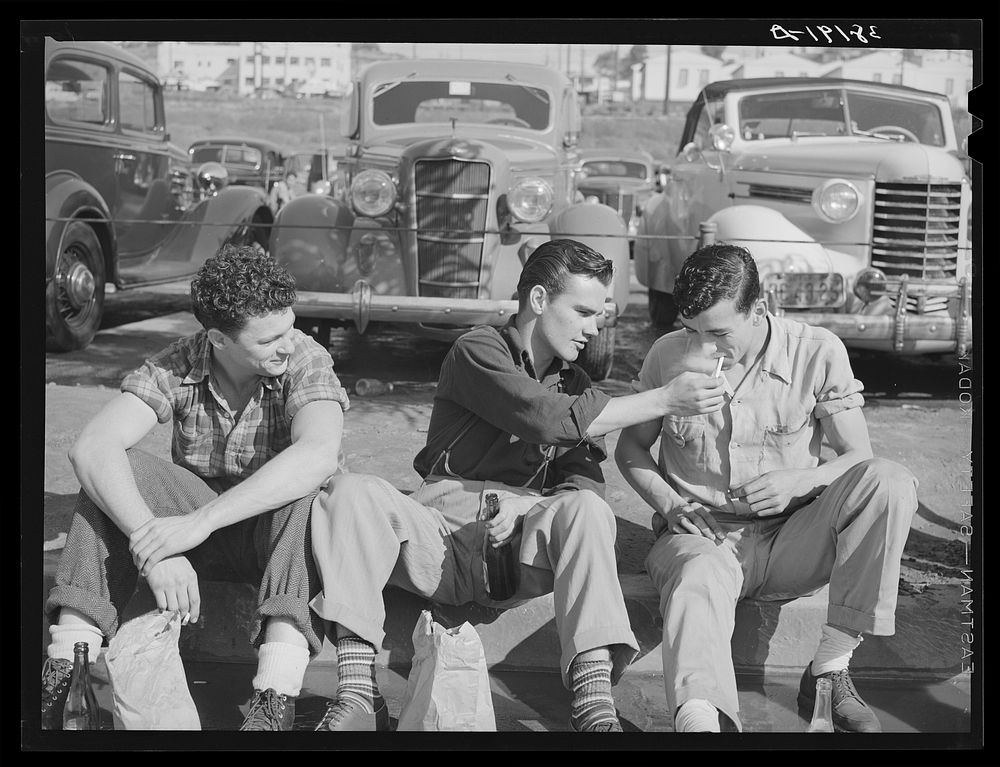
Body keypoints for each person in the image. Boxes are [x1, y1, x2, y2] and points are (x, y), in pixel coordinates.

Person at [304, 239, 728, 733]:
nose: (594, 329)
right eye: (584, 312)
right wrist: (665, 399)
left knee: (591, 510)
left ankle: (594, 709)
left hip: (510, 558)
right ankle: (358, 696)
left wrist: (522, 506)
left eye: (600, 316)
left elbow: (581, 487)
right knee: (351, 490)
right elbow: (543, 418)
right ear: (540, 300)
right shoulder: (478, 350)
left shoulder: (580, 390)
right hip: (435, 535)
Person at [42, 244, 351, 732]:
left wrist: (196, 523)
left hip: (276, 541)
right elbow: (91, 448)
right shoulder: (179, 361)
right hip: (194, 537)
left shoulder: (304, 357)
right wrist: (155, 545)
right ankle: (66, 674)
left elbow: (318, 453)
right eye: (269, 338)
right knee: (116, 470)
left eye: (289, 326)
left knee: (310, 495)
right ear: (217, 339)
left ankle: (275, 697)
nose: (287, 343)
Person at [615, 243, 919, 733]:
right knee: (696, 575)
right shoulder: (667, 355)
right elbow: (630, 450)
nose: (704, 347)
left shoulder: (817, 351)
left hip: (794, 538)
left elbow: (859, 456)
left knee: (890, 480)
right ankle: (699, 721)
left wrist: (805, 479)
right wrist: (671, 505)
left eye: (718, 332)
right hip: (701, 537)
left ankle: (829, 668)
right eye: (692, 330)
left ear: (759, 309)